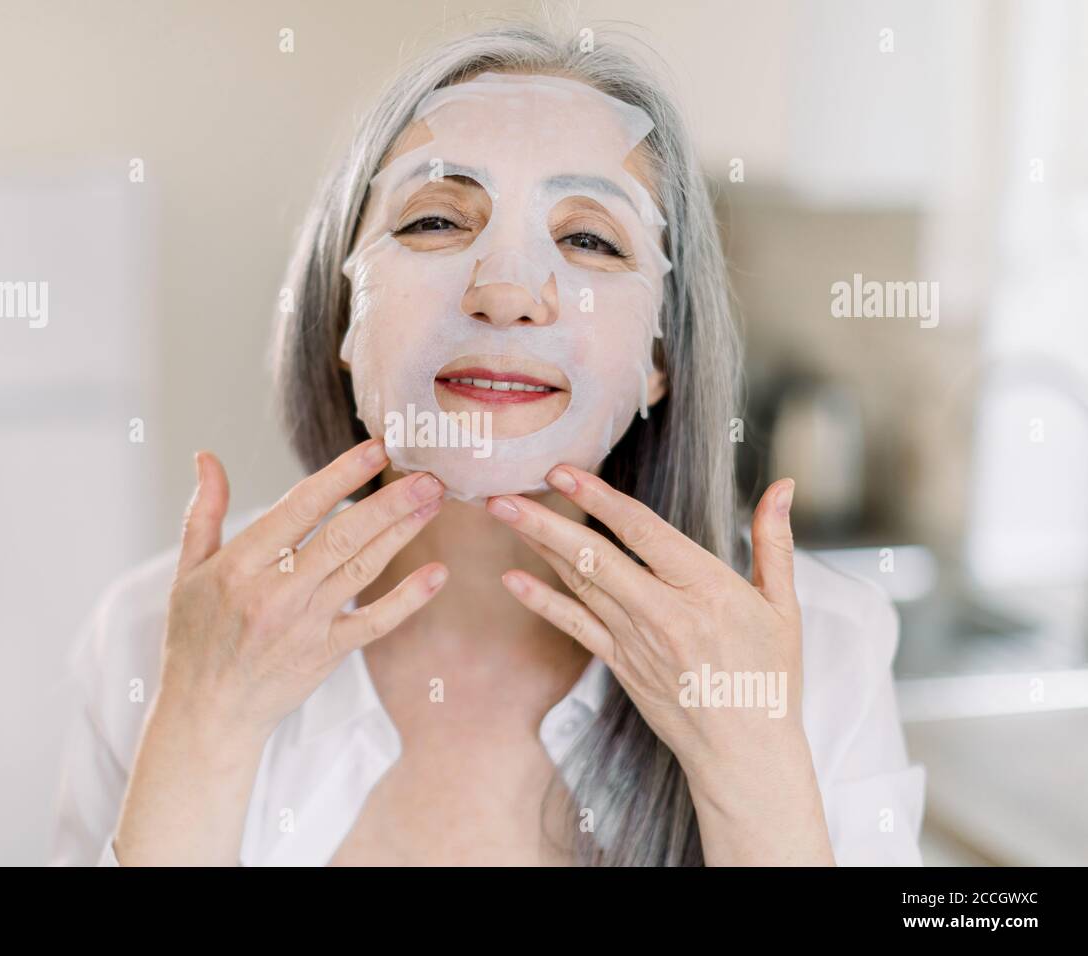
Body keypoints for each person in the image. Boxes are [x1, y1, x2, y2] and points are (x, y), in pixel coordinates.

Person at [52, 21, 924, 867]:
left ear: (660, 355)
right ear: (340, 316)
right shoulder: (150, 642)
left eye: (589, 238)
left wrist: (752, 764)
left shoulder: (820, 656)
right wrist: (204, 723)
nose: (506, 292)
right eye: (435, 221)